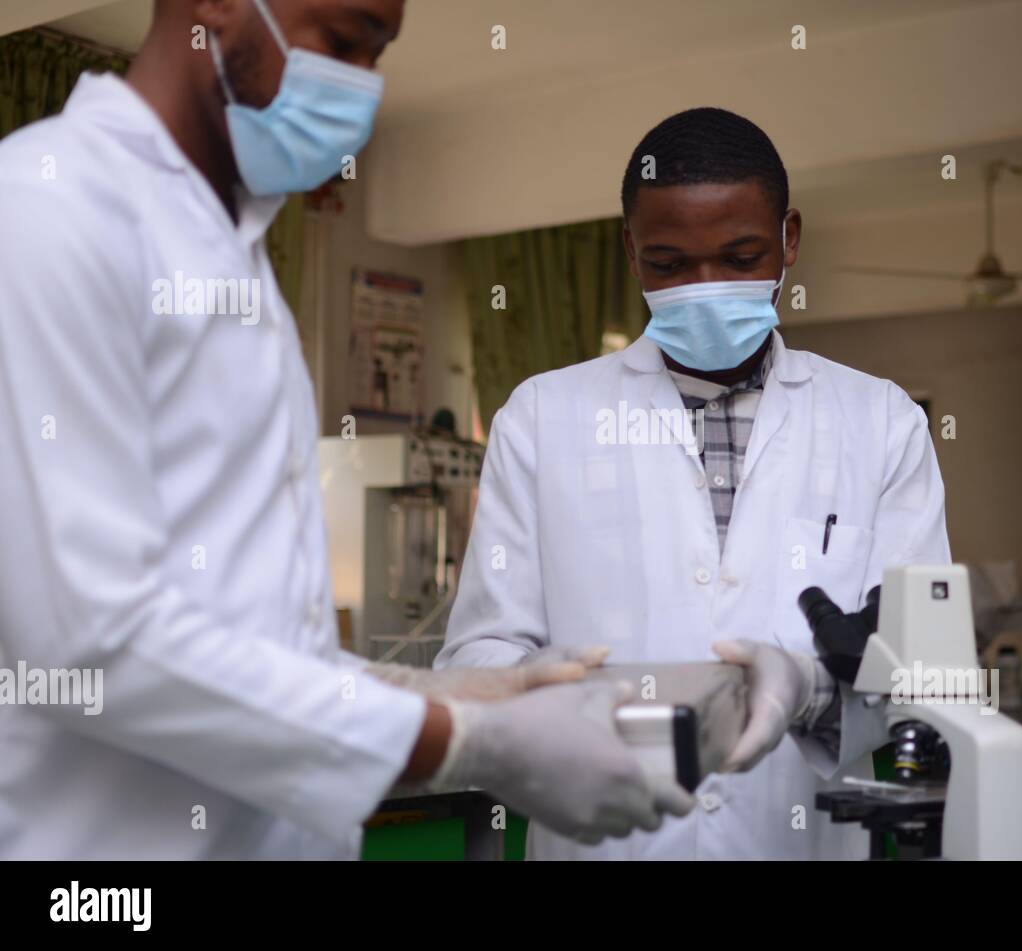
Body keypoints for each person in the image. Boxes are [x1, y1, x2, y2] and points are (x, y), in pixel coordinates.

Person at [0, 0, 690, 860]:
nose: (361, 88)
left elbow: (251, 647)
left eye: (379, 52)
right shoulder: (46, 209)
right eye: (344, 41)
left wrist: (466, 694)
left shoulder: (235, 260)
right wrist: (462, 741)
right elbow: (91, 645)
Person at [437, 107, 952, 860]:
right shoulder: (543, 417)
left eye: (741, 257)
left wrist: (810, 691)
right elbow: (476, 657)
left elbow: (923, 670)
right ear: (630, 250)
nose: (704, 289)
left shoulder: (880, 422)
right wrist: (543, 699)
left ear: (790, 239)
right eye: (669, 265)